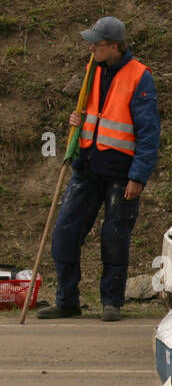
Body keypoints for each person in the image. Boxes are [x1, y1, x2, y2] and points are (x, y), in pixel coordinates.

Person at [38, 17, 158, 322]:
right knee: (65, 233)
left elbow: (149, 132)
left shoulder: (139, 76)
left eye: (97, 43)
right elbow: (92, 111)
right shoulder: (92, 69)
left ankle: (111, 302)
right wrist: (76, 121)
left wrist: (138, 176)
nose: (91, 47)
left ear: (115, 46)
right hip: (87, 167)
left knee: (114, 238)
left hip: (121, 173)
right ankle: (67, 301)